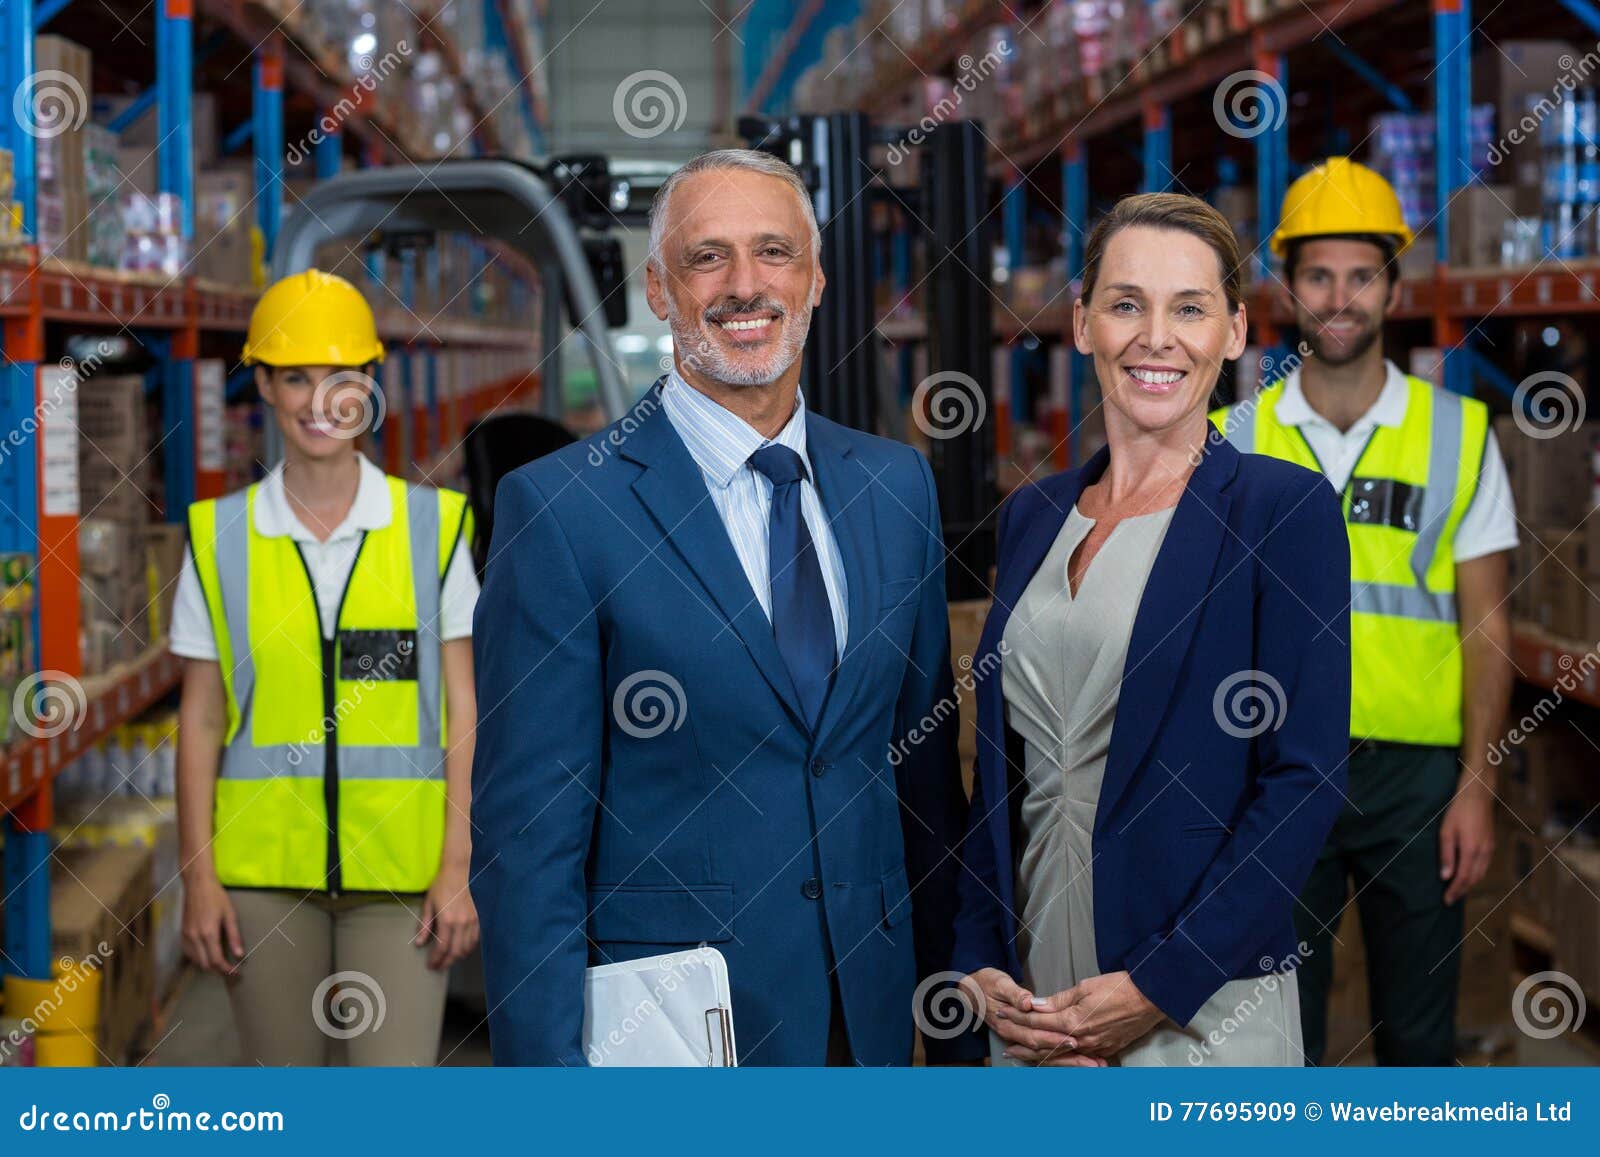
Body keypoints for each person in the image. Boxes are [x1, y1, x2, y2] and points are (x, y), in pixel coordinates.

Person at [470, 149, 976, 1066]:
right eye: (708, 258)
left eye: (775, 251)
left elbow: (926, 792)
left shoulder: (896, 487)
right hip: (673, 1036)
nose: (746, 285)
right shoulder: (563, 511)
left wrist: (955, 1031)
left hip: (869, 1019)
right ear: (659, 289)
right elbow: (527, 847)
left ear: (817, 279)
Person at [952, 192, 1351, 1066]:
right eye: (1127, 303)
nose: (1155, 336)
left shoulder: (1282, 512)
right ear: (1084, 322)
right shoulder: (1034, 516)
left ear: (1238, 333)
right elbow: (999, 780)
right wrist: (977, 954)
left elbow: (1304, 781)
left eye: (1191, 308)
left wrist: (1159, 985)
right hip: (1033, 1002)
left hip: (1196, 1001)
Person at [1211, 157, 1517, 1066]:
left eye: (1361, 274)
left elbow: (1488, 624)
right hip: (1274, 775)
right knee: (1275, 1040)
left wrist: (1477, 786)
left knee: (1418, 1038)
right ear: (1287, 288)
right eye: (1318, 275)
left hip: (1416, 788)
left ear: (1393, 284)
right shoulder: (1238, 436)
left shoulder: (1460, 434)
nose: (1339, 297)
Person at [173, 269, 481, 1065]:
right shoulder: (218, 538)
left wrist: (458, 865)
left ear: (369, 386)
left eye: (339, 377)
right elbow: (202, 720)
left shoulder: (433, 529)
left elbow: (462, 709)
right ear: (266, 387)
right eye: (295, 378)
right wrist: (198, 879)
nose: (319, 401)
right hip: (263, 884)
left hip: (401, 884)